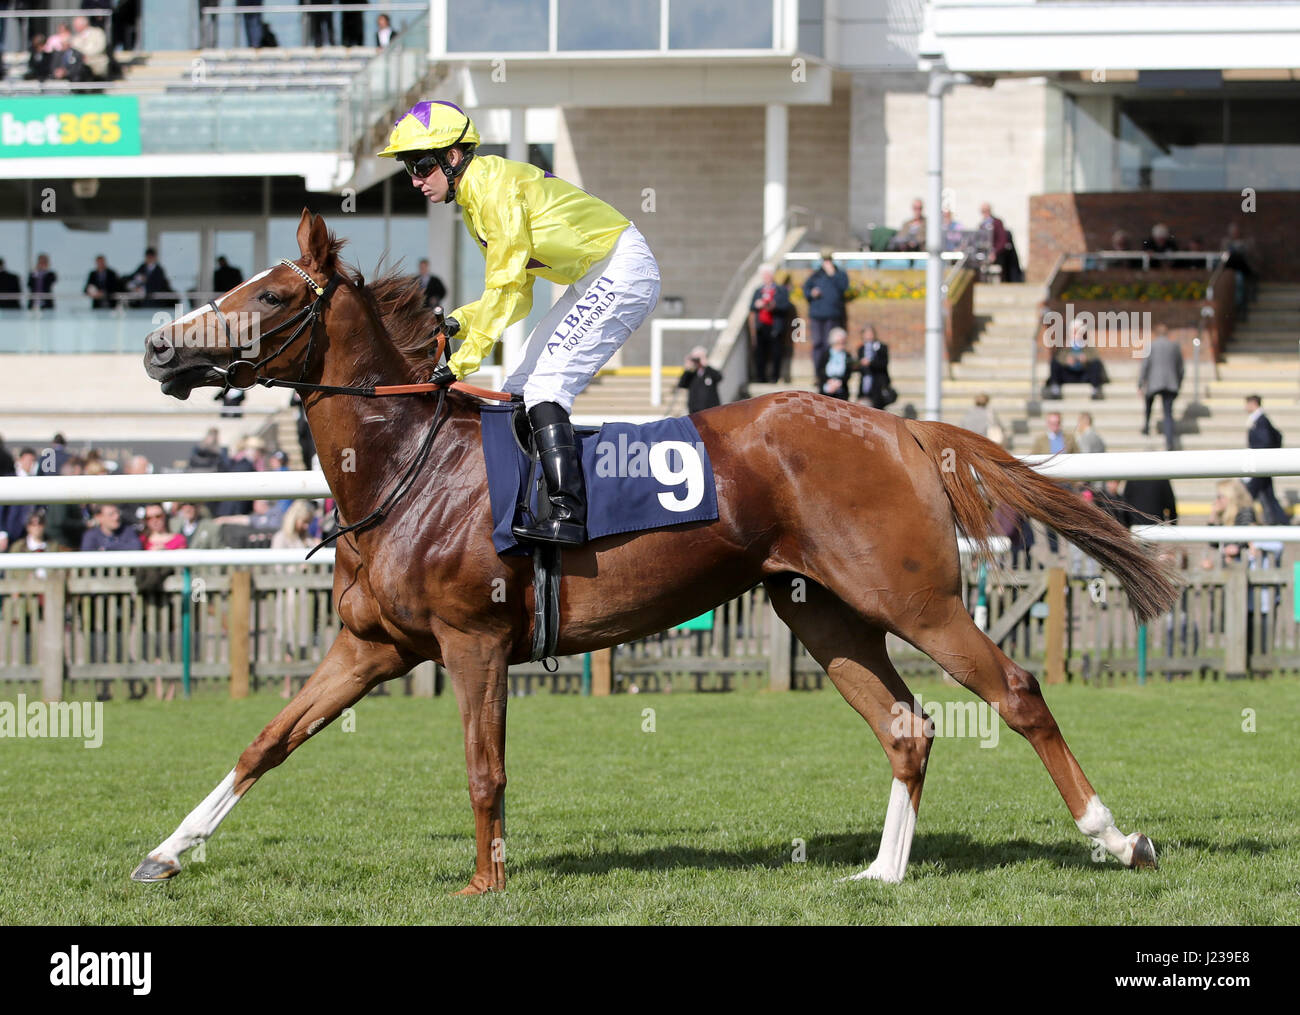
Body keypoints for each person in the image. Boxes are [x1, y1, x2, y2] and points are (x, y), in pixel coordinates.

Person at [378, 100, 661, 546]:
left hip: (619, 269)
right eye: (408, 169)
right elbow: (515, 294)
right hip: (593, 276)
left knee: (546, 389)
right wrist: (457, 325)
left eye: (421, 165)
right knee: (518, 387)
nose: (415, 179)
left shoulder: (494, 190)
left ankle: (569, 513)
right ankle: (526, 499)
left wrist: (462, 363)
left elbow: (508, 289)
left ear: (453, 158)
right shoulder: (474, 201)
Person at [802, 248, 849, 376]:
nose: (826, 263)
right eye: (824, 260)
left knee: (830, 344)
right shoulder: (816, 275)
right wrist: (811, 293)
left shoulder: (839, 274)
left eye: (828, 260)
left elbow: (843, 287)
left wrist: (832, 274)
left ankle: (829, 373)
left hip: (832, 315)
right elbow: (806, 289)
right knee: (818, 344)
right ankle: (818, 373)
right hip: (817, 315)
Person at [1245, 395, 1288, 525]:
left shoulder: (1261, 420)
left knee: (1248, 494)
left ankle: (1242, 520)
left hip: (1260, 463)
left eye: (1247, 404)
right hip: (1262, 462)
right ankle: (1281, 521)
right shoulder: (1260, 419)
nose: (1245, 407)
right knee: (1268, 495)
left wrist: (1259, 457)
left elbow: (1265, 441)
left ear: (1253, 403)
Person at [1139, 325, 1184, 450]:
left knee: (1148, 403)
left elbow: (1145, 365)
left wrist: (1140, 383)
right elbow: (1181, 368)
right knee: (1168, 413)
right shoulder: (1174, 346)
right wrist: (1179, 383)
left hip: (1154, 383)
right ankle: (1169, 442)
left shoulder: (1151, 346)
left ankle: (1146, 426)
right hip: (1170, 383)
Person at [748, 265, 791, 383]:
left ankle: (774, 377)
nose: (766, 277)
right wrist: (757, 304)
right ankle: (760, 377)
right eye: (764, 275)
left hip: (775, 326)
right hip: (761, 326)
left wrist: (774, 305)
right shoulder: (758, 291)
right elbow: (751, 306)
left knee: (776, 352)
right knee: (760, 353)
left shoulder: (781, 290)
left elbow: (786, 306)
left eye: (768, 275)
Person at [1046, 318, 1106, 400]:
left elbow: (1096, 357)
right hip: (1068, 374)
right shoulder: (1065, 345)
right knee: (1054, 363)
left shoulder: (1088, 345)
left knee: (1096, 364)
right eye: (1074, 331)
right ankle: (1055, 389)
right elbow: (1059, 357)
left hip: (1084, 375)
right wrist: (1066, 360)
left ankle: (1095, 390)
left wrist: (1086, 358)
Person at [855, 324, 891, 409]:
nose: (868, 336)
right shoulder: (861, 348)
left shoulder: (881, 347)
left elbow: (883, 364)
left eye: (870, 333)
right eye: (866, 334)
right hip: (866, 383)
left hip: (878, 383)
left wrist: (870, 363)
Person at [677, 346, 722, 414]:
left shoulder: (709, 371)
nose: (697, 361)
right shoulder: (691, 374)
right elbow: (681, 384)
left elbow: (719, 377)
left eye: (698, 358)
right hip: (695, 410)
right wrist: (687, 368)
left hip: (711, 409)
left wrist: (705, 365)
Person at [815, 327, 854, 401]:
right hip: (826, 387)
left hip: (841, 388)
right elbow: (820, 370)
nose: (841, 345)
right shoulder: (825, 354)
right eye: (839, 343)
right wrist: (829, 381)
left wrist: (838, 383)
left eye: (843, 343)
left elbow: (848, 372)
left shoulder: (847, 355)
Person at [70, 15, 108, 79]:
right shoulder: (75, 38)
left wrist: (84, 54)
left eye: (76, 25)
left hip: (96, 62)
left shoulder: (97, 33)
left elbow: (100, 48)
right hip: (80, 65)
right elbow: (74, 51)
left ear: (84, 24)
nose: (75, 27)